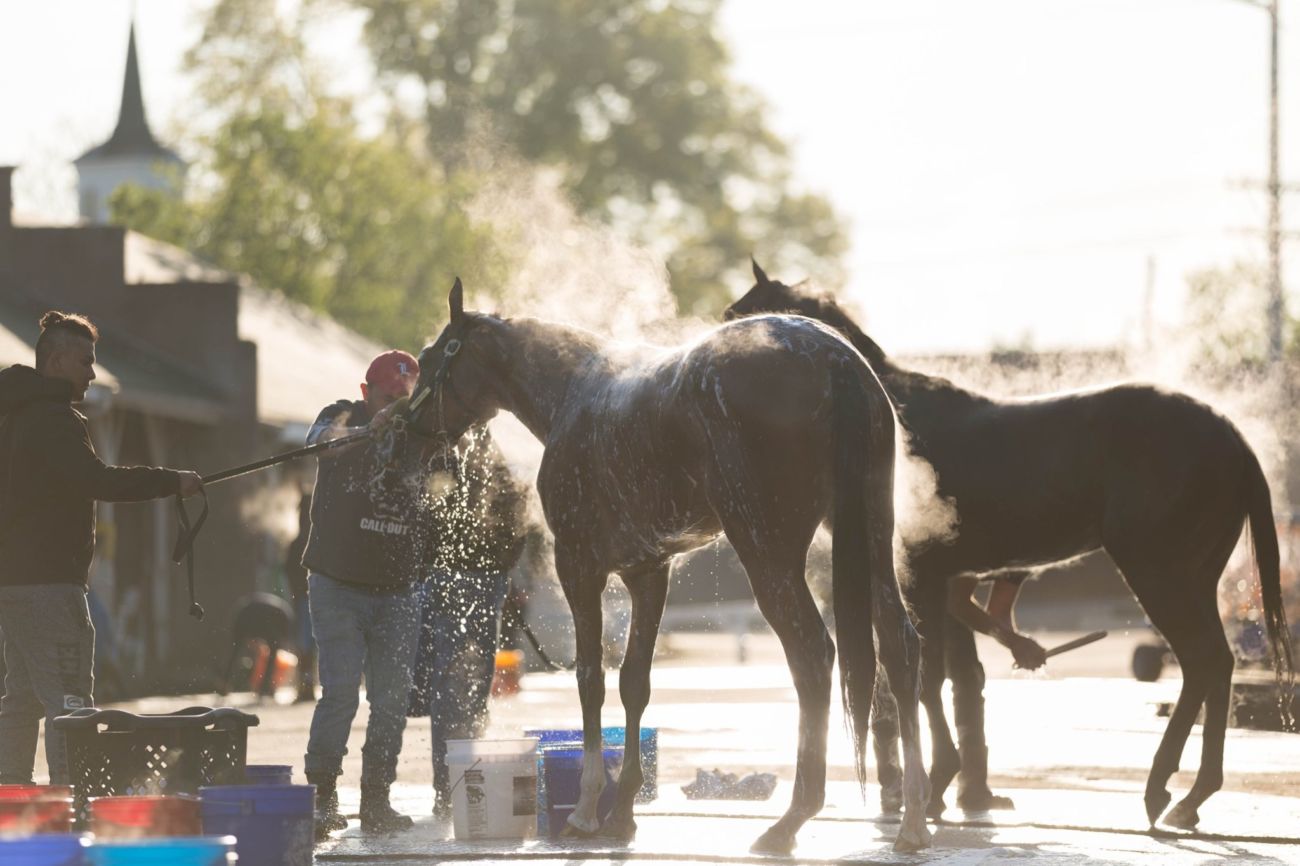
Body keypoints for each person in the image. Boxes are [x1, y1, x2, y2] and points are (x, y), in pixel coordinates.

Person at [0, 311, 203, 785]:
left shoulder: (11, 416)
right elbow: (98, 481)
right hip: (49, 585)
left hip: (11, 582)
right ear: (55, 360)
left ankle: (12, 810)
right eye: (85, 362)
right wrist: (172, 481)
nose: (92, 373)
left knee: (21, 699)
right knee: (69, 702)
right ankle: (75, 809)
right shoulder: (53, 420)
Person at [301, 350, 431, 839]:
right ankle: (323, 797)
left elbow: (443, 489)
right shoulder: (342, 413)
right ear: (366, 392)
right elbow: (318, 446)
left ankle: (377, 798)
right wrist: (368, 429)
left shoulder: (421, 434)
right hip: (337, 583)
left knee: (392, 701)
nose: (397, 406)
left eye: (405, 398)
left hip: (399, 589)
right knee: (339, 695)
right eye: (387, 397)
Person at [407, 424, 527, 818]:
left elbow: (517, 513)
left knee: (470, 682)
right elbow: (425, 513)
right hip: (450, 580)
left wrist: (502, 568)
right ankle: (449, 785)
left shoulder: (489, 462)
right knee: (452, 682)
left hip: (479, 579)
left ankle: (461, 781)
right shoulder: (446, 457)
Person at [285, 488, 316, 703]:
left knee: (306, 645)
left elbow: (289, 570)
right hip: (309, 597)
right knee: (309, 644)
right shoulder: (310, 538)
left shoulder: (301, 541)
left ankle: (306, 685)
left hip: (307, 598)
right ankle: (307, 685)